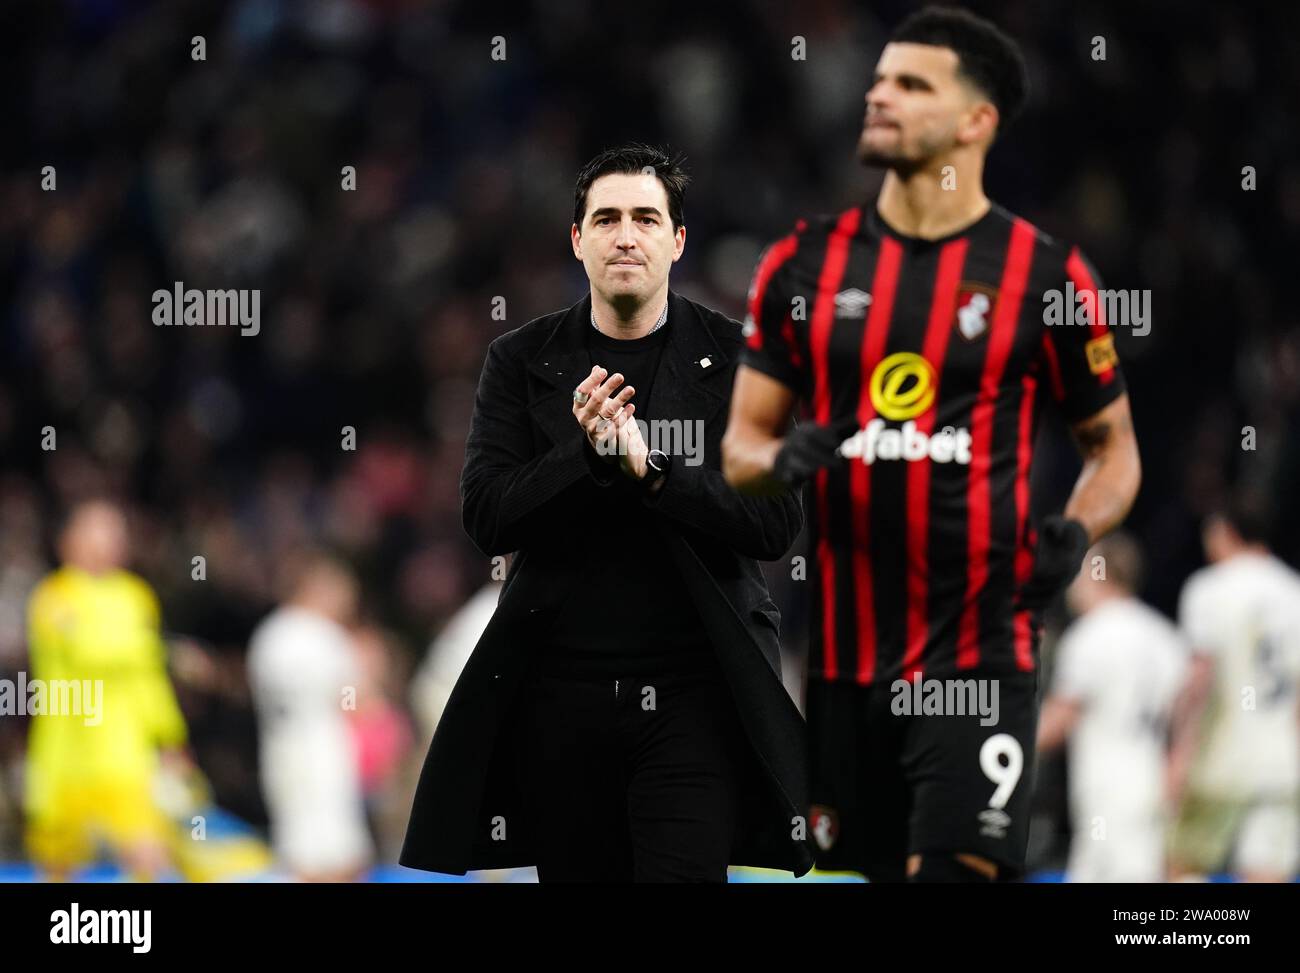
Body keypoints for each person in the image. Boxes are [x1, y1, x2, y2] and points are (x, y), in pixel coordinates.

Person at [722, 7, 1141, 881]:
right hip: (842, 660)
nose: (878, 95)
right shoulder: (801, 265)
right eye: (878, 79)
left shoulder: (1047, 275)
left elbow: (1114, 451)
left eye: (911, 84)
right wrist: (782, 466)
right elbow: (741, 450)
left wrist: (1074, 532)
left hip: (980, 650)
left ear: (976, 120)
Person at [400, 143, 812, 882]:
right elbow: (487, 515)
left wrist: (652, 472)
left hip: (698, 701)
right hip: (560, 702)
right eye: (608, 217)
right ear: (578, 239)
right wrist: (585, 458)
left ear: (677, 240)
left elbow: (776, 523)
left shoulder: (742, 359)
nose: (627, 234)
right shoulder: (520, 358)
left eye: (647, 218)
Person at [24, 499, 191, 880]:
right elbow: (87, 650)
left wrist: (170, 737)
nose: (109, 540)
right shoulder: (52, 598)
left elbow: (150, 680)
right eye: (97, 529)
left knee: (148, 852)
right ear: (67, 540)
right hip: (64, 754)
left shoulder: (137, 596)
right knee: (57, 865)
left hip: (125, 752)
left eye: (116, 531)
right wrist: (156, 646)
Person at [1037, 532, 1186, 882]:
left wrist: (1001, 744)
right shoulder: (1163, 634)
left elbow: (1059, 720)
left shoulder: (1090, 636)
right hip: (1153, 778)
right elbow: (1185, 712)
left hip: (1108, 785)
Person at [1167, 499, 1300, 882]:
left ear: (1224, 533)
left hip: (1221, 756)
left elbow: (1200, 678)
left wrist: (1179, 754)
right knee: (1266, 872)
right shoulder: (1293, 592)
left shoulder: (1211, 588)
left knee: (1184, 866)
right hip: (1281, 762)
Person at [247, 552, 375, 882]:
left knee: (298, 850)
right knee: (339, 854)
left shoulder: (269, 634)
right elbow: (358, 703)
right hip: (323, 754)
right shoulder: (324, 636)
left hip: (281, 754)